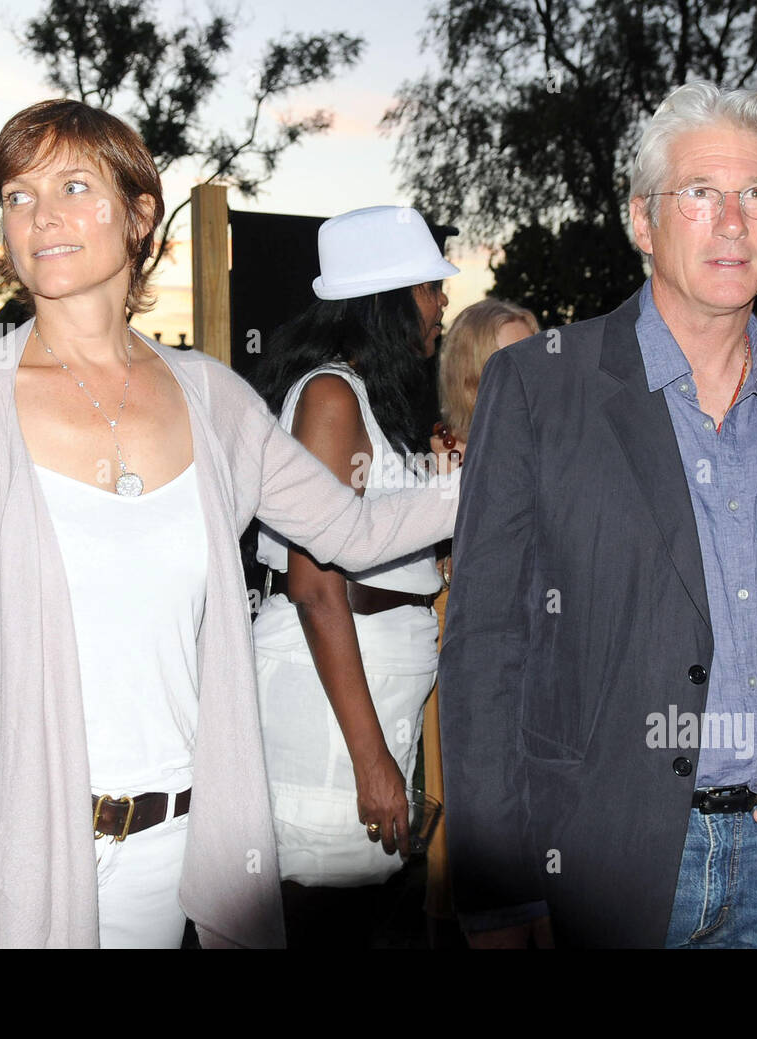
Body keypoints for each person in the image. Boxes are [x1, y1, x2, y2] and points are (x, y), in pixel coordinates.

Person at [0, 101, 460, 949]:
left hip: (162, 852)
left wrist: (484, 472)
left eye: (73, 185)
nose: (42, 217)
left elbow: (349, 533)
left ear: (141, 215)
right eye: (19, 196)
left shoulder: (213, 400)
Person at [438, 81, 757, 948]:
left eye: (756, 194)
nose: (732, 220)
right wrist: (498, 892)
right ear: (644, 222)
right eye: (700, 193)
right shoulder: (540, 386)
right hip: (601, 859)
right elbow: (486, 646)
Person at [250, 205, 457, 946]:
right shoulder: (331, 395)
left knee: (359, 915)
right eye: (432, 288)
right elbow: (312, 583)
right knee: (323, 919)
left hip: (372, 693)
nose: (442, 305)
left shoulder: (374, 401)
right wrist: (372, 760)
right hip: (330, 708)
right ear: (392, 296)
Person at [423, 298, 539, 940]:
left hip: (549, 663)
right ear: (473, 373)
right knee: (475, 819)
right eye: (511, 358)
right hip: (472, 663)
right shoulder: (446, 456)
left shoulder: (557, 440)